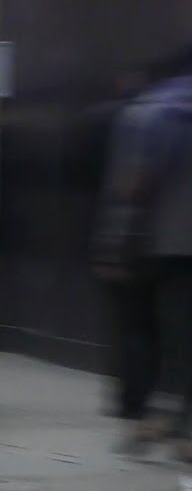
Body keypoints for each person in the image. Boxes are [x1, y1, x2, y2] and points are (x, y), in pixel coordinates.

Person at [94, 47, 192, 462]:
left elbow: (132, 186)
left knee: (159, 333)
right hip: (171, 242)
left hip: (165, 244)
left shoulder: (150, 113)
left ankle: (152, 420)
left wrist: (115, 246)